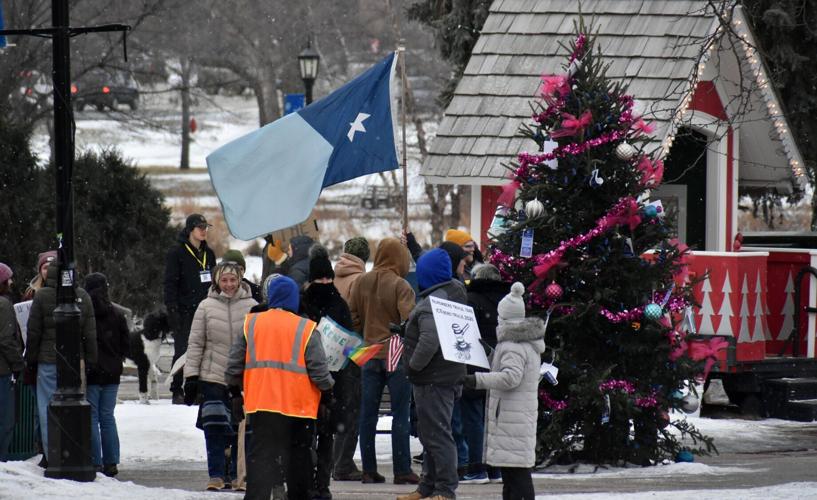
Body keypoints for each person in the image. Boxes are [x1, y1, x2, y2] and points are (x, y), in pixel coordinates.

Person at [226, 276, 334, 500]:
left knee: (261, 459)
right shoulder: (306, 328)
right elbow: (319, 371)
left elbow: (233, 365)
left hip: (262, 406)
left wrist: (235, 394)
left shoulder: (251, 324)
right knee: (299, 462)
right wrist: (327, 396)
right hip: (299, 409)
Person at [463, 282, 546, 500]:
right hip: (517, 416)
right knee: (514, 474)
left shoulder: (512, 345)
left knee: (516, 475)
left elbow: (511, 377)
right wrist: (490, 353)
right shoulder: (523, 342)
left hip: (511, 418)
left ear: (504, 318)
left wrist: (476, 379)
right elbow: (511, 367)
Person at [347, 237, 418, 485]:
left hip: (369, 352)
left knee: (368, 413)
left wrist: (367, 332)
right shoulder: (401, 285)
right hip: (395, 352)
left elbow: (353, 317)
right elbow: (409, 322)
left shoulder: (361, 282)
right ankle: (402, 469)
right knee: (400, 413)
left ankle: (368, 469)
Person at [399, 249, 468, 500]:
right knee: (432, 435)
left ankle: (445, 489)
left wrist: (413, 366)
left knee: (437, 436)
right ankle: (427, 486)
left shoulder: (432, 304)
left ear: (427, 275)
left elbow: (429, 341)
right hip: (447, 374)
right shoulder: (454, 292)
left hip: (433, 379)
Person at [184, 261, 257, 491]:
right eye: (224, 280)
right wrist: (191, 376)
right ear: (217, 281)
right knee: (214, 427)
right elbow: (196, 343)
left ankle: (237, 475)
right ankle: (216, 475)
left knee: (239, 428)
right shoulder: (205, 307)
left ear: (240, 280)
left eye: (233, 280)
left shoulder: (252, 307)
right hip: (212, 376)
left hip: (241, 378)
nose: (229, 284)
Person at [25, 260, 97, 465]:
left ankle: (53, 454)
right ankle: (75, 453)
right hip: (75, 361)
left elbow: (34, 331)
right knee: (76, 407)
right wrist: (90, 360)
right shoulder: (83, 296)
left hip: (47, 360)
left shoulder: (41, 296)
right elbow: (90, 334)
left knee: (47, 409)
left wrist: (31, 359)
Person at [300, 244, 353, 499]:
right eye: (320, 279)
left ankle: (322, 484)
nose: (325, 283)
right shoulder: (305, 305)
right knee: (309, 435)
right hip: (309, 380)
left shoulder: (337, 304)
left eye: (328, 279)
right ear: (312, 280)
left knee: (325, 435)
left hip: (332, 380)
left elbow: (350, 338)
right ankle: (310, 483)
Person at [462, 264, 510, 484]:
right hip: (501, 362)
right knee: (494, 418)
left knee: (473, 417)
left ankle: (477, 467)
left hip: (476, 362)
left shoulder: (470, 299)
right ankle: (495, 469)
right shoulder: (507, 301)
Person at [164, 213, 216, 404]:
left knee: (205, 351)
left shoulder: (209, 253)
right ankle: (176, 389)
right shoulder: (177, 253)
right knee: (182, 350)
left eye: (205, 227)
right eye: (200, 227)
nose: (204, 231)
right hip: (184, 311)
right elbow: (169, 284)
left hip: (205, 309)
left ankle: (199, 389)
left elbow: (214, 281)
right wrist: (172, 310)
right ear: (190, 230)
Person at [330, 236, 369, 481]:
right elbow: (360, 316)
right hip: (353, 350)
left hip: (332, 348)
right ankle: (343, 463)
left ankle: (336, 459)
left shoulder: (335, 276)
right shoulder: (360, 280)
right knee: (352, 407)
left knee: (340, 406)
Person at [83, 273, 130, 477]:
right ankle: (111, 461)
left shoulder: (86, 314)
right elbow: (126, 345)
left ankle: (95, 460)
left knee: (92, 416)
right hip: (112, 372)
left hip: (93, 372)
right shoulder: (117, 314)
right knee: (108, 417)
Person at [0, 263, 24, 462]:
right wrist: (18, 364)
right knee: (5, 420)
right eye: (8, 279)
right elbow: (6, 340)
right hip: (2, 369)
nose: (11, 282)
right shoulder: (4, 305)